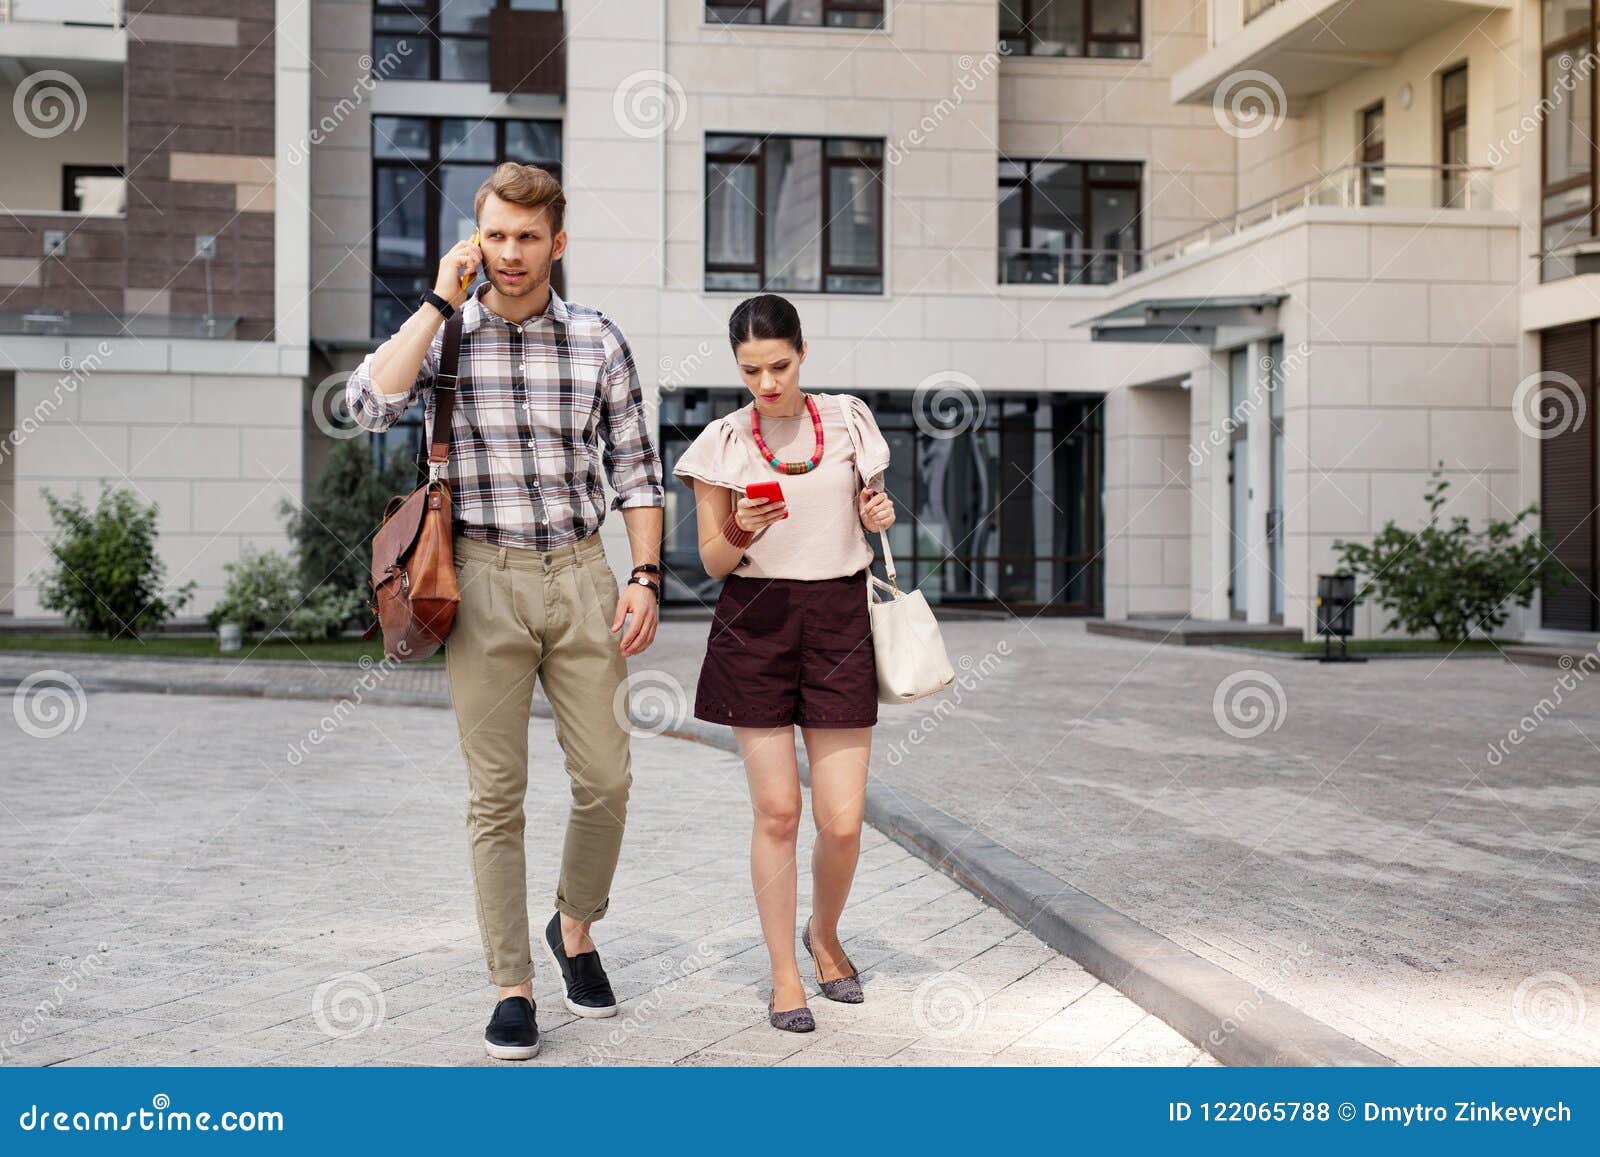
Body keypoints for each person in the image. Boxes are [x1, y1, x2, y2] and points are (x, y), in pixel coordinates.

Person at [347, 163, 666, 1060]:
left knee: (606, 778)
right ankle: (513, 984)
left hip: (582, 573)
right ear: (474, 240)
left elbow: (637, 468)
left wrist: (644, 574)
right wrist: (436, 304)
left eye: (528, 237)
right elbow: (366, 406)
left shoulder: (598, 339)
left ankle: (575, 923)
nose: (511, 252)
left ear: (557, 243)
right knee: (496, 794)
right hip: (479, 580)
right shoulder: (445, 333)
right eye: (496, 235)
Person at [671, 294, 895, 1032]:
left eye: (778, 366)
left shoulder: (849, 420)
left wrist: (878, 513)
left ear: (803, 353)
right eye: (750, 370)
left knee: (843, 820)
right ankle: (784, 974)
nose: (766, 383)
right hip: (756, 622)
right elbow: (712, 560)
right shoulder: (722, 442)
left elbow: (870, 505)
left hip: (839, 618)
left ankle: (823, 934)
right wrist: (741, 524)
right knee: (778, 811)